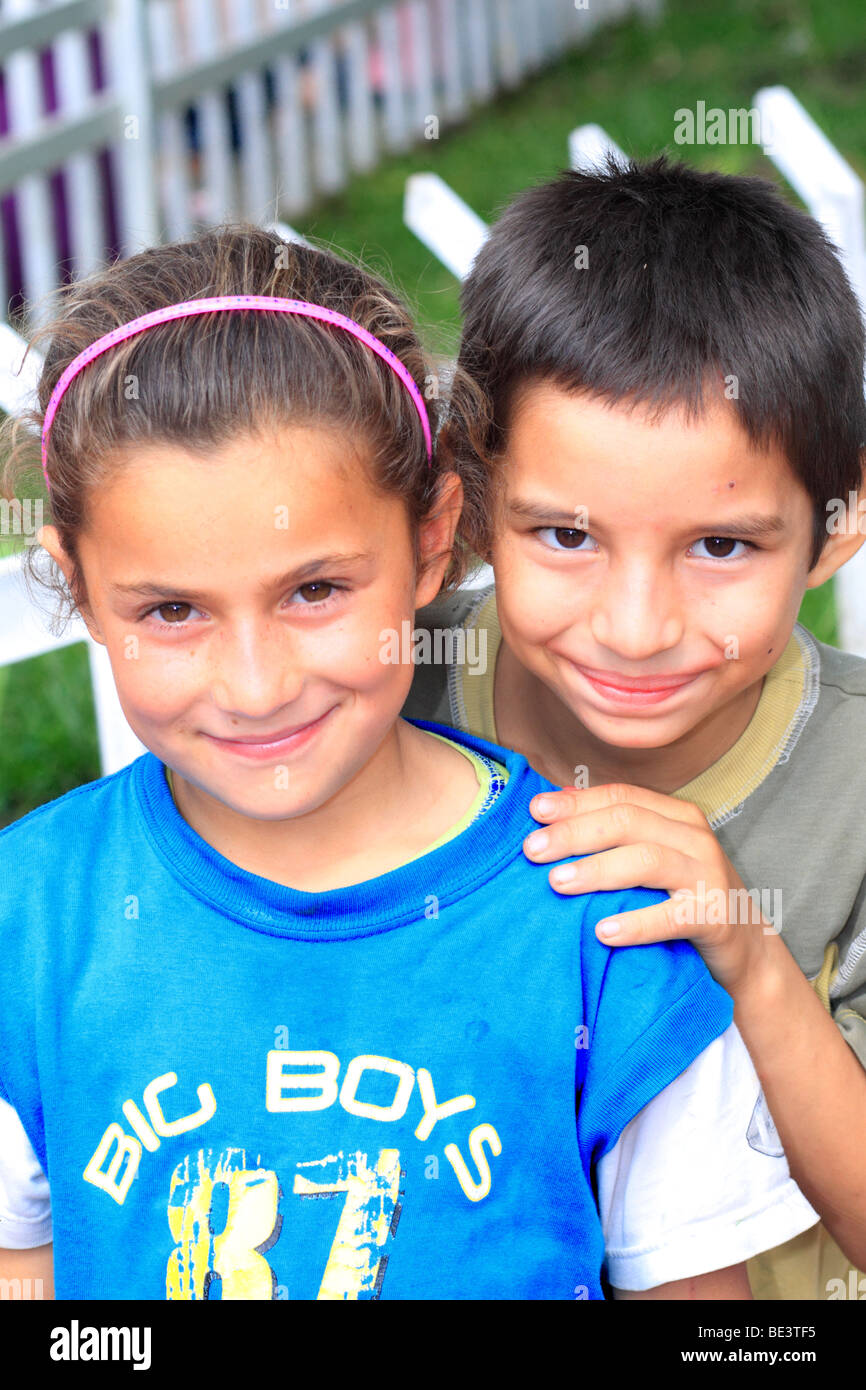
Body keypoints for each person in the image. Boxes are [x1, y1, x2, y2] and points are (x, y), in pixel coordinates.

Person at [0, 223, 817, 1301]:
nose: (256, 684)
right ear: (75, 578)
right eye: (170, 610)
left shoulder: (601, 921)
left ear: (433, 539)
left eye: (315, 590)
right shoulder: (32, 914)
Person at [402, 155, 866, 1299]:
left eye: (719, 546)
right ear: (467, 496)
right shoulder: (378, 697)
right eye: (564, 534)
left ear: (835, 521)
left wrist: (753, 963)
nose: (635, 625)